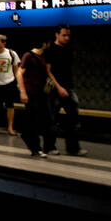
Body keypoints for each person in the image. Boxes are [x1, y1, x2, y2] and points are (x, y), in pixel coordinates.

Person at [43, 24, 84, 156]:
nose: (67, 38)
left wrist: (67, 87)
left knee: (73, 117)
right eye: (64, 35)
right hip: (54, 88)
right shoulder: (50, 49)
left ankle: (73, 148)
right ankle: (49, 146)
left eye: (68, 35)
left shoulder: (69, 49)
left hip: (68, 86)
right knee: (51, 118)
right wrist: (59, 86)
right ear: (57, 34)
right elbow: (48, 70)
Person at [16, 32, 59, 158]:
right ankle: (35, 148)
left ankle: (47, 147)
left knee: (47, 120)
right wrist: (23, 92)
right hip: (30, 93)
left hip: (41, 93)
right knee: (32, 121)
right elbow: (19, 74)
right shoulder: (28, 56)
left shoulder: (43, 57)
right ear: (44, 44)